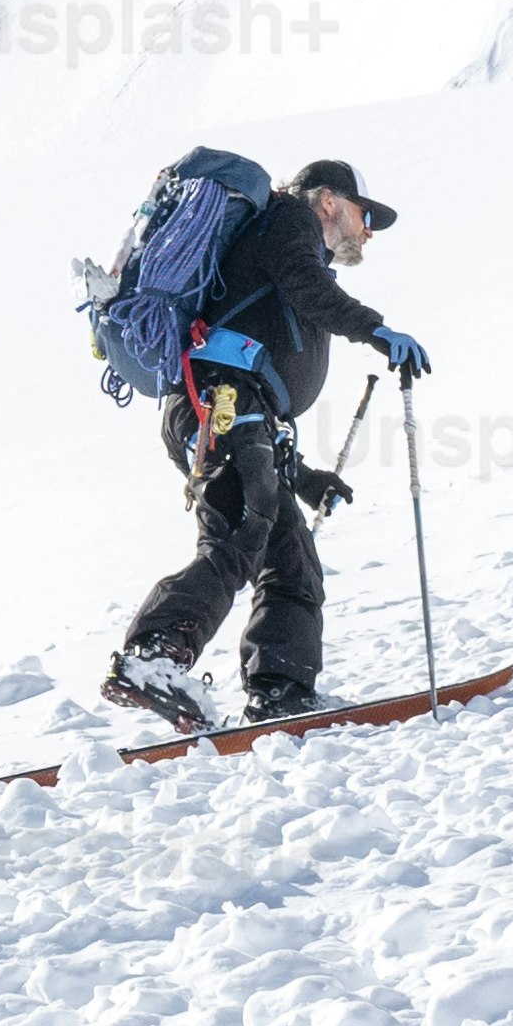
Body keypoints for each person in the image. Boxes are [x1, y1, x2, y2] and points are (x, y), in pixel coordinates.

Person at [109, 156, 425, 733]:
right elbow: (305, 287)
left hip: (238, 413)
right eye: (363, 214)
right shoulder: (289, 222)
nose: (368, 231)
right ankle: (152, 656)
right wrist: (376, 330)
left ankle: (281, 691)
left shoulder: (279, 240)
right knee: (239, 536)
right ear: (328, 201)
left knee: (291, 564)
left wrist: (303, 478)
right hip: (222, 404)